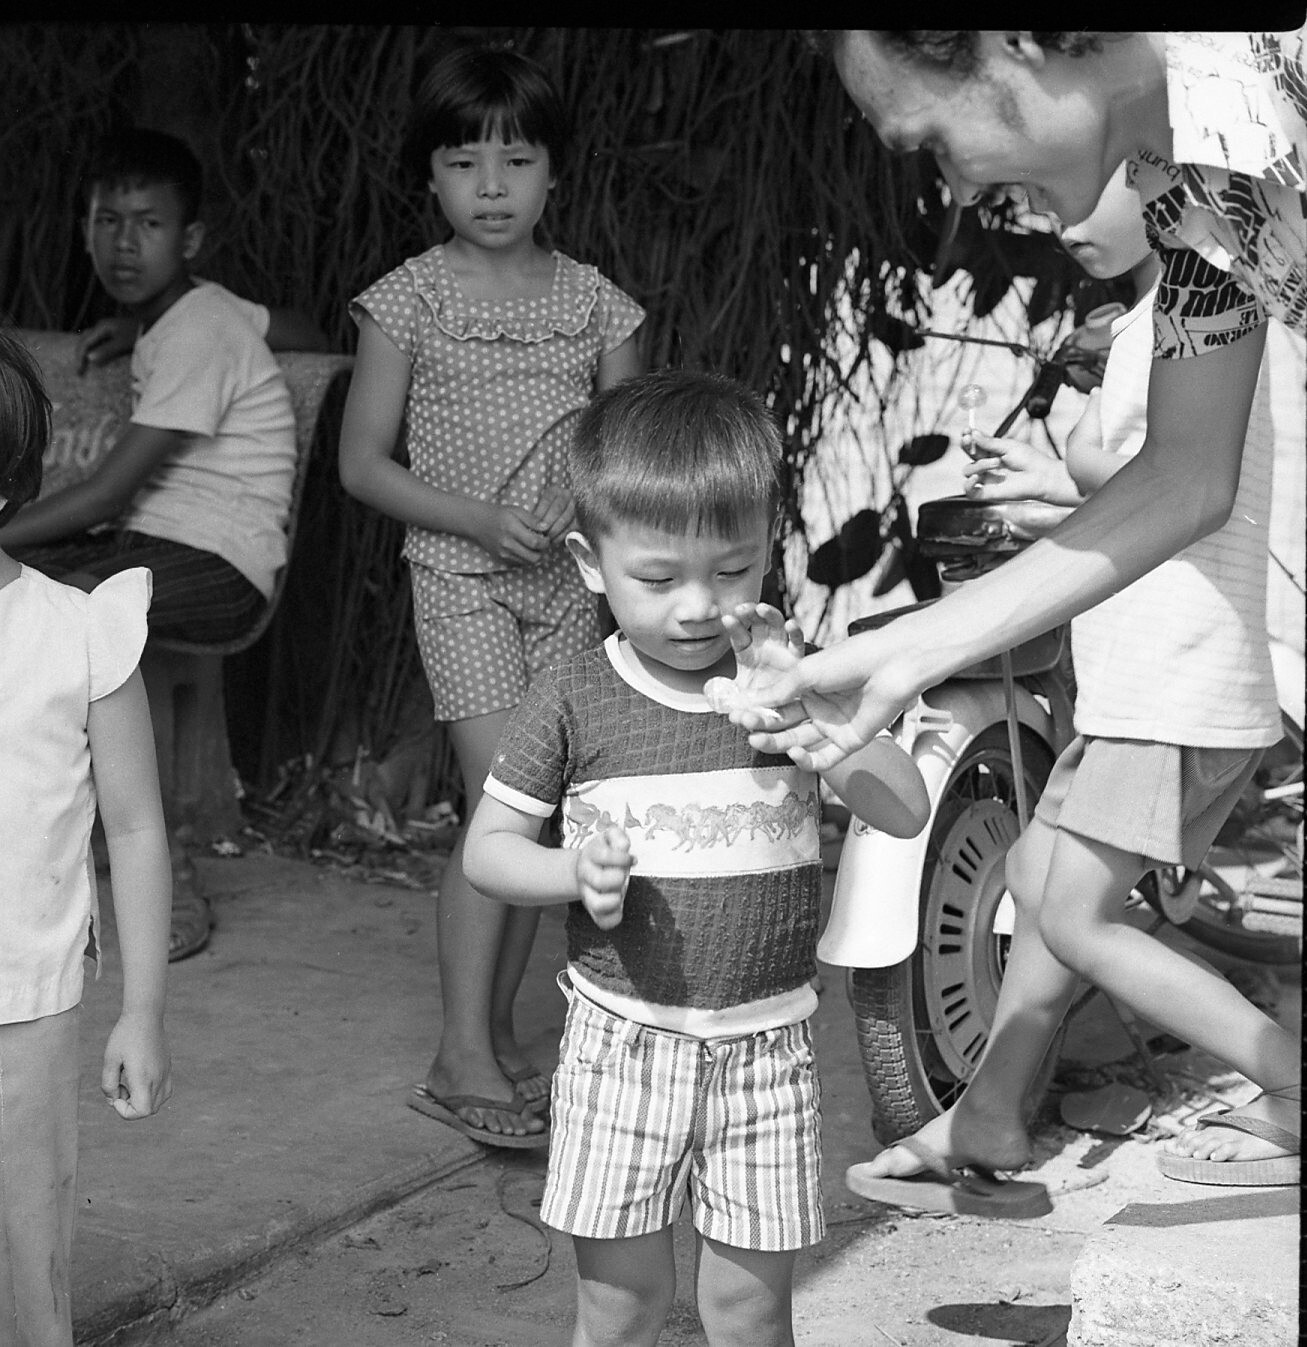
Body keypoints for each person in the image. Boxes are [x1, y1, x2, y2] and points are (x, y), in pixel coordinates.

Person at [715, 28, 1305, 1178]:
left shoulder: (1249, 77)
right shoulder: (1199, 183)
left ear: (1012, 38)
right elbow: (1182, 475)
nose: (948, 186)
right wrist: (900, 657)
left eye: (929, 137)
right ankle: (990, 1110)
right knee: (1049, 884)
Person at [845, 165, 1299, 1218]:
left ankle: (1286, 1079)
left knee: (1079, 916)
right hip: (1146, 680)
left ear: (1154, 171)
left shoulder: (1194, 312)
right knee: (1042, 879)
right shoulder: (1159, 317)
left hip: (1175, 681)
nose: (1057, 218)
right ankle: (991, 1112)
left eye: (1080, 189)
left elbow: (1176, 478)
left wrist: (1074, 465)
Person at [461, 368, 929, 1347]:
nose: (695, 608)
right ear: (590, 562)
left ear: (766, 546)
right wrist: (568, 873)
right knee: (621, 1306)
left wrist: (820, 722)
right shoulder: (573, 696)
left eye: (730, 570)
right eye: (658, 577)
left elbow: (901, 806)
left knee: (748, 1311)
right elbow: (488, 852)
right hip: (622, 1045)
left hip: (769, 1052)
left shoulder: (785, 686)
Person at [337, 40, 645, 1148]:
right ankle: (460, 1052)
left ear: (554, 171)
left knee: (535, 812)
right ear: (428, 177)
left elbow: (629, 461)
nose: (492, 185)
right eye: (464, 163)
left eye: (516, 160)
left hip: (568, 592)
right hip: (460, 578)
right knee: (501, 808)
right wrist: (475, 519)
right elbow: (361, 464)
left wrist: (596, 524)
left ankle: (494, 1037)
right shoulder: (405, 301)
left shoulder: (601, 307)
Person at [0, 126, 327, 963]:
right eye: (107, 220)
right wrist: (133, 323)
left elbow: (106, 491)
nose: (122, 241)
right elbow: (292, 324)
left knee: (63, 608)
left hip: (217, 566)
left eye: (147, 224)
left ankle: (168, 873)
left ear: (189, 240)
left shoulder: (194, 330)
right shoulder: (199, 313)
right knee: (47, 594)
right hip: (169, 545)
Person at [0, 329, 172, 1347]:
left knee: (28, 1249)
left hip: (23, 1004)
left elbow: (139, 827)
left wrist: (141, 1011)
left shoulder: (80, 632)